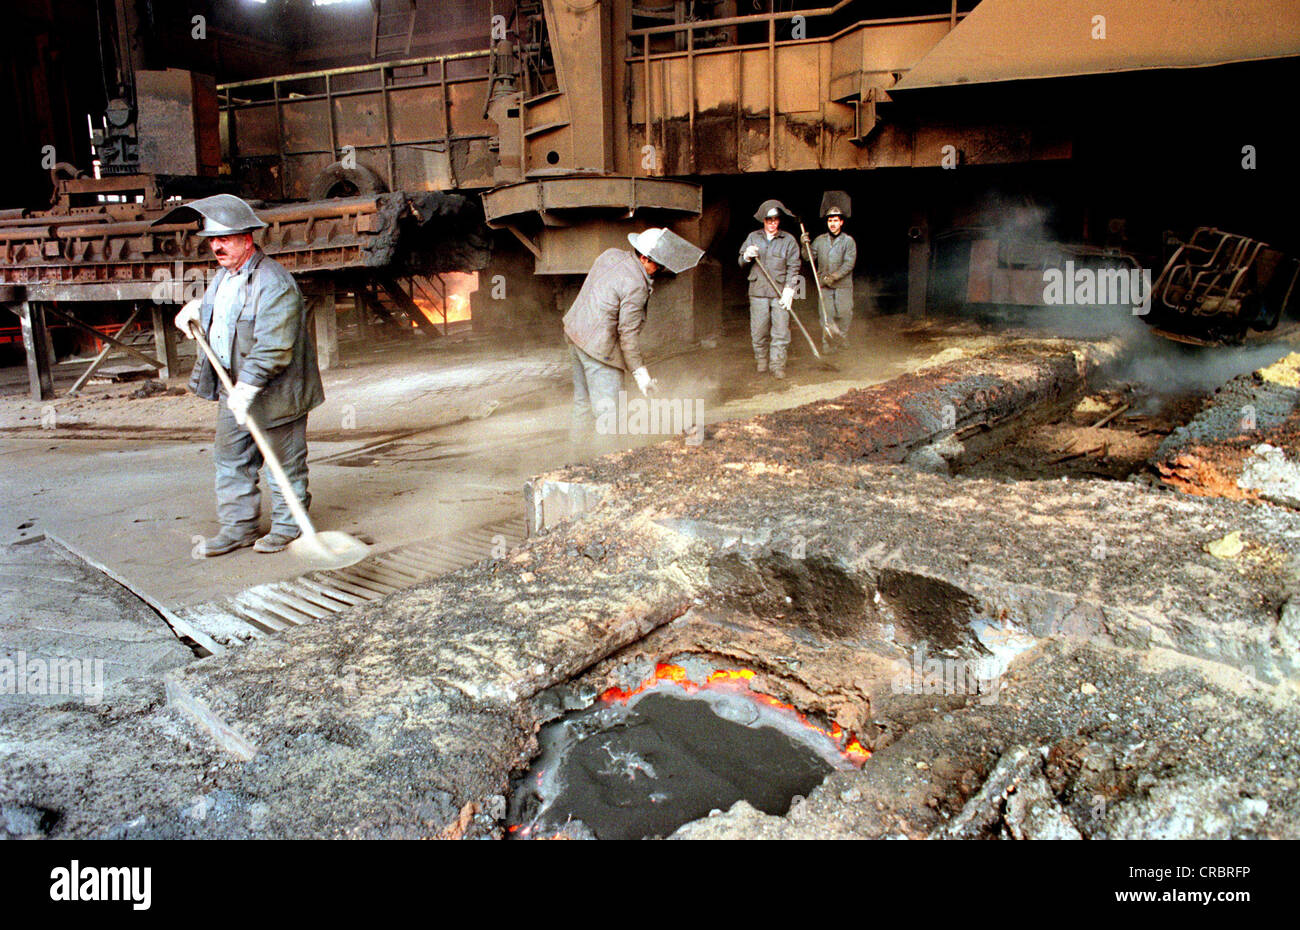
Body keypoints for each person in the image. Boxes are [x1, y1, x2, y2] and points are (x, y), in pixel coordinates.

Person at [154, 194, 325, 556]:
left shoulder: (273, 282)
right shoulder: (223, 277)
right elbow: (227, 315)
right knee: (231, 460)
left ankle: (288, 527)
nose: (216, 246)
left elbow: (274, 346)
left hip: (276, 391)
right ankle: (239, 528)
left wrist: (248, 387)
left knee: (282, 462)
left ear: (247, 239)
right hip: (233, 388)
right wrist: (199, 309)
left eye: (225, 239)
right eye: (212, 239)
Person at [563, 227, 703, 442]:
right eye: (658, 264)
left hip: (575, 334)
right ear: (645, 258)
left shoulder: (610, 254)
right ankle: (606, 466)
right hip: (598, 349)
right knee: (609, 415)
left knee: (583, 403)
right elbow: (627, 336)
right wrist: (641, 375)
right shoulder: (636, 285)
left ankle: (573, 463)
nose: (660, 269)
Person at [739, 199, 801, 378]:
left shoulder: (788, 240)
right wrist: (747, 256)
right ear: (763, 220)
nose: (772, 223)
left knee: (781, 331)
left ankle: (777, 365)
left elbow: (794, 267)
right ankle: (761, 359)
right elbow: (740, 263)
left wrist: (790, 289)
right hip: (758, 291)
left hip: (779, 293)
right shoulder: (752, 237)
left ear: (779, 220)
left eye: (775, 219)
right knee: (758, 330)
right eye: (768, 219)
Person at [810, 190, 857, 352]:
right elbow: (808, 258)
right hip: (824, 285)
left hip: (843, 285)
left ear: (841, 222)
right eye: (830, 220)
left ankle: (841, 338)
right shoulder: (819, 241)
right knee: (826, 315)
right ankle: (828, 345)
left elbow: (849, 264)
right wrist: (805, 245)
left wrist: (835, 276)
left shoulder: (848, 241)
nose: (833, 223)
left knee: (844, 313)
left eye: (836, 220)